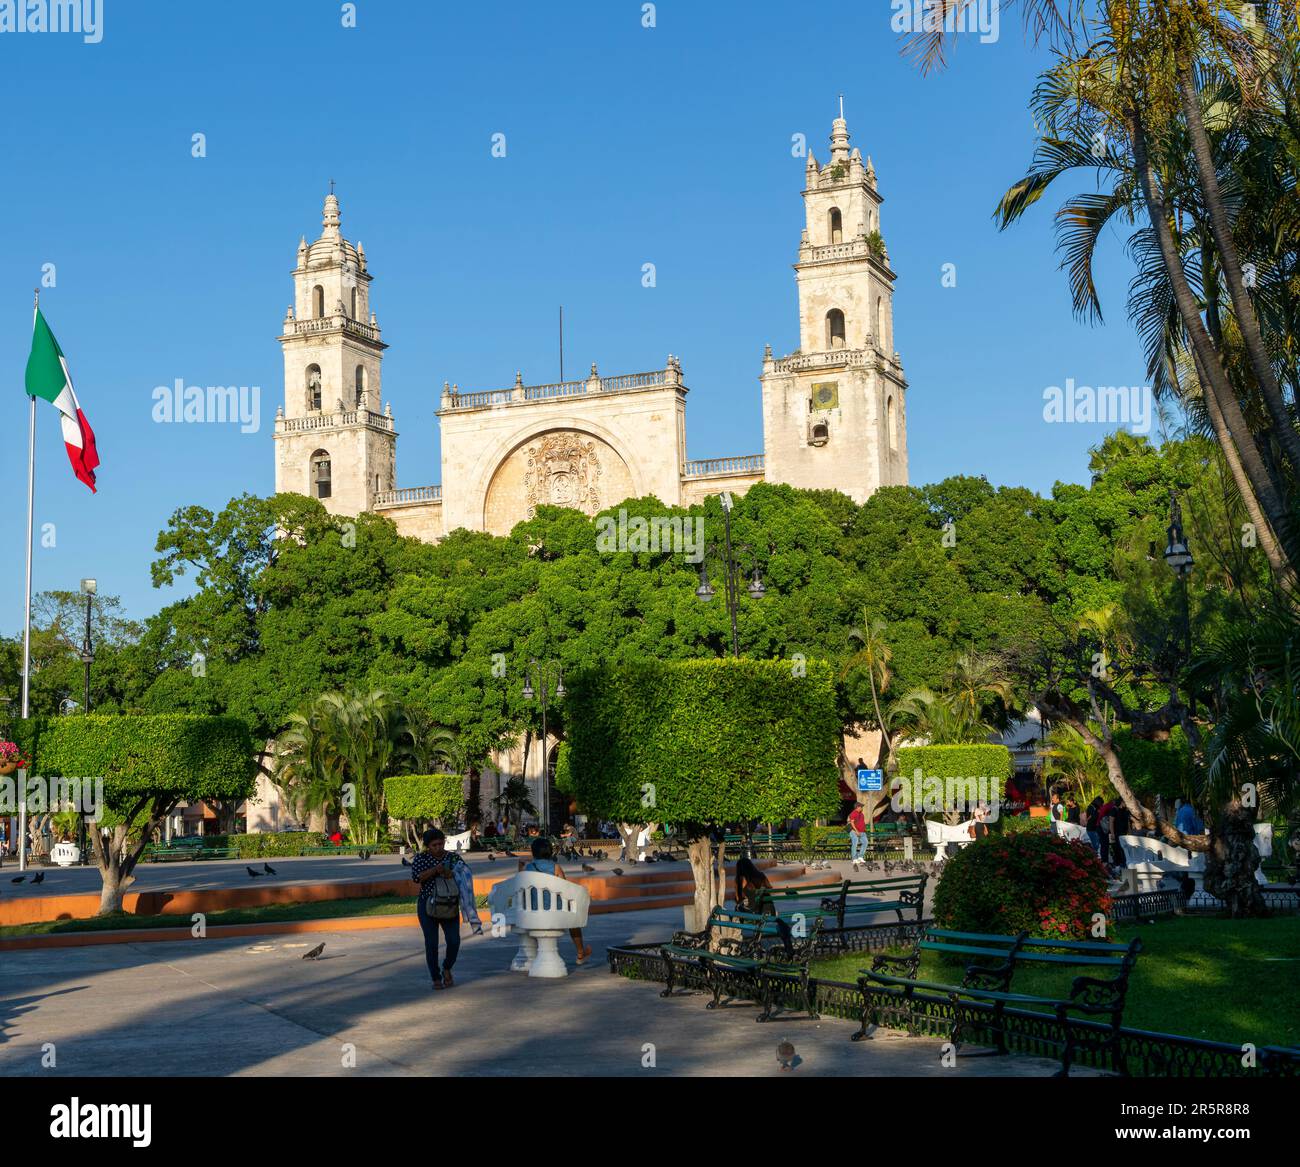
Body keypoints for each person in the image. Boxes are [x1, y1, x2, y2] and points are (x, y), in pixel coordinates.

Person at [519, 838, 593, 964]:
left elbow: (520, 883)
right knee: (573, 917)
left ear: (533, 852)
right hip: (555, 914)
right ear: (550, 852)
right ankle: (580, 952)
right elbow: (565, 889)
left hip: (532, 913)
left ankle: (536, 952)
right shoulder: (556, 867)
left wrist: (520, 866)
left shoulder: (529, 867)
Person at [411, 828, 467, 990]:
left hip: (449, 904)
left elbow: (465, 873)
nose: (438, 847)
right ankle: (435, 977)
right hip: (427, 904)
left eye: (441, 844)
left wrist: (452, 873)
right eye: (434, 845)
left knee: (454, 940)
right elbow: (416, 877)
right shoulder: (421, 858)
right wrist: (435, 870)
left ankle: (447, 967)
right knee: (431, 943)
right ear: (428, 846)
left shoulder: (453, 857)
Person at [847, 802, 869, 868]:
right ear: (857, 807)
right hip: (854, 832)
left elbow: (861, 822)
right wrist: (856, 831)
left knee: (865, 842)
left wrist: (864, 829)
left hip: (862, 832)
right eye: (861, 807)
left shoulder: (861, 814)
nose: (862, 808)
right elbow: (852, 823)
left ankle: (860, 857)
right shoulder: (853, 813)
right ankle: (854, 859)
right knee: (855, 844)